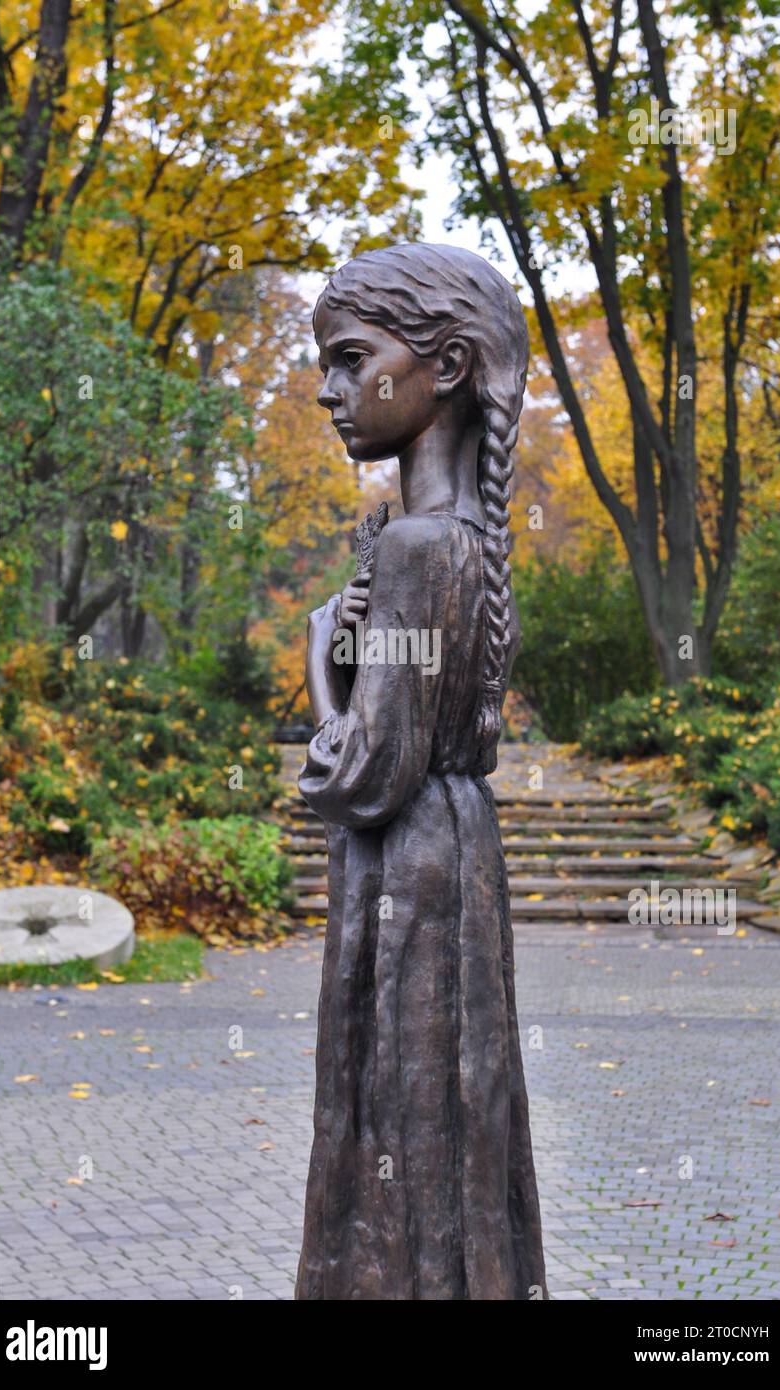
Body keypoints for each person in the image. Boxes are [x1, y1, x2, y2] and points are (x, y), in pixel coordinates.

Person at [295, 243, 548, 1301]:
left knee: (393, 1110)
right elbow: (462, 739)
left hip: (405, 874)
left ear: (443, 365)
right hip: (459, 856)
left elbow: (361, 775)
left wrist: (319, 660)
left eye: (352, 359)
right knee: (458, 1107)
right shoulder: (469, 545)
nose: (328, 390)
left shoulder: (410, 552)